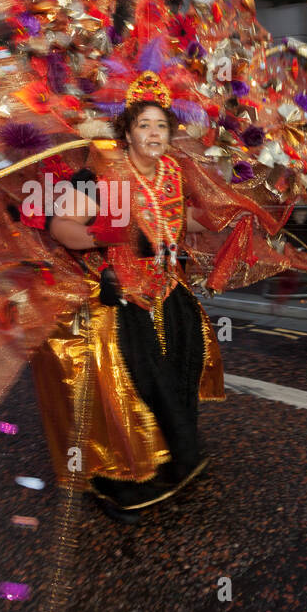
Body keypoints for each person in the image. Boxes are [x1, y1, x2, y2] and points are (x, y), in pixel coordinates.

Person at [40, 83, 223, 523]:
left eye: (162, 125)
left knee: (180, 365)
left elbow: (183, 219)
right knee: (126, 383)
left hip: (166, 290)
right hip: (116, 294)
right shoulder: (100, 174)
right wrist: (113, 237)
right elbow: (61, 225)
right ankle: (120, 473)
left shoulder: (173, 173)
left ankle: (168, 455)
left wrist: (233, 212)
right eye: (145, 124)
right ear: (126, 132)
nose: (155, 133)